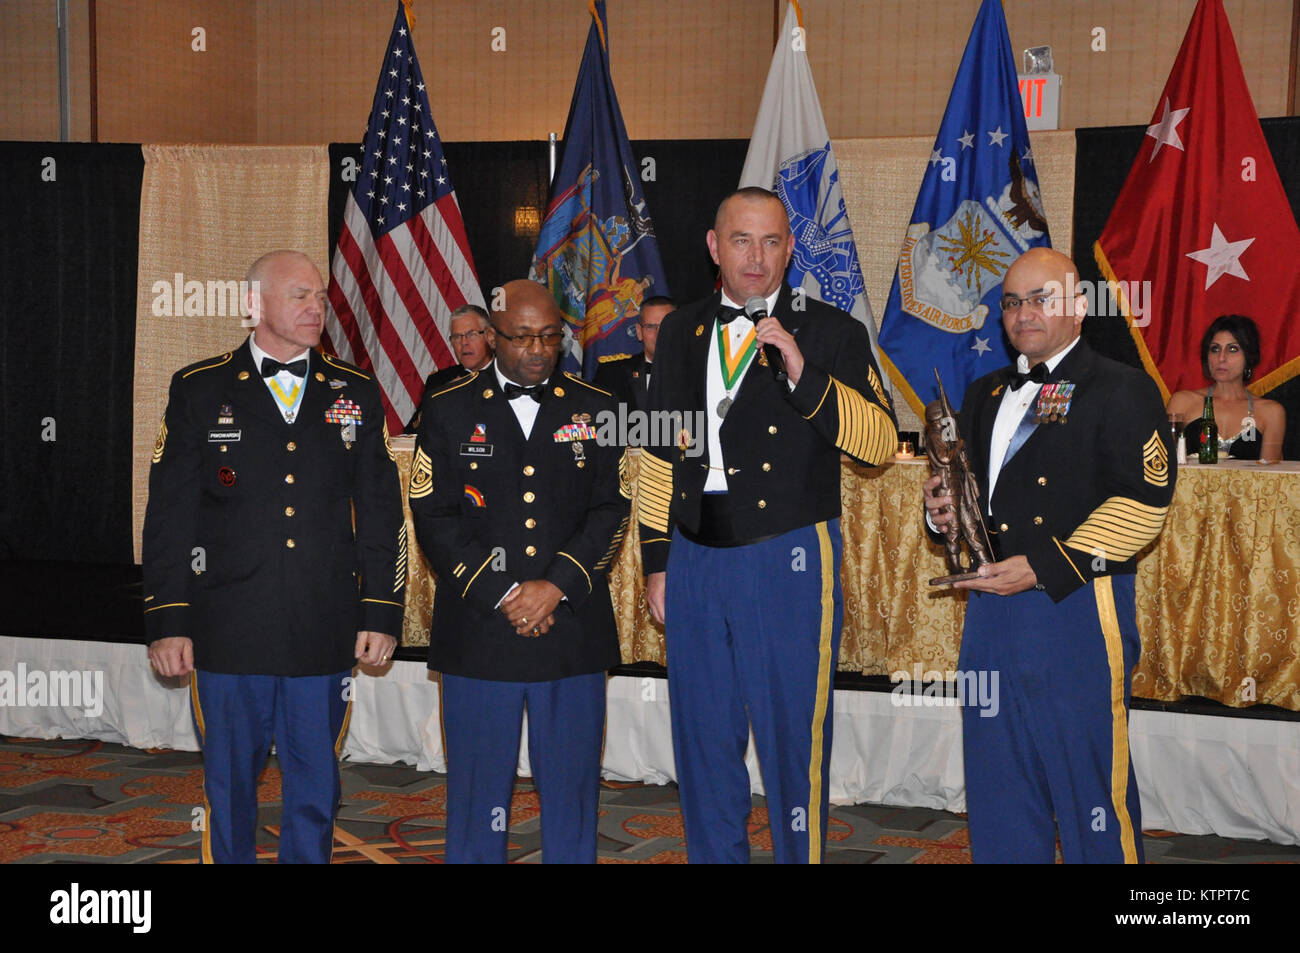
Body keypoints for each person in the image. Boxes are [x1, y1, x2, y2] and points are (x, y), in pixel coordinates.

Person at [637, 187, 897, 863]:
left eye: (773, 241)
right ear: (714, 246)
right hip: (694, 556)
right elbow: (657, 452)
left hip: (788, 555)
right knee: (701, 742)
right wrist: (657, 559)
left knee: (791, 745)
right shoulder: (680, 329)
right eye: (742, 241)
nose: (757, 258)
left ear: (791, 247)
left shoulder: (832, 329)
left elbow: (877, 443)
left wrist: (805, 375)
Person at [143, 249, 405, 864]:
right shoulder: (199, 388)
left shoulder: (356, 391)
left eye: (320, 296)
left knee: (316, 785)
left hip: (322, 622)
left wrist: (381, 611)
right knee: (230, 784)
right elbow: (169, 515)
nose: (317, 307)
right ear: (253, 306)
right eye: (299, 296)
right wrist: (167, 618)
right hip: (229, 626)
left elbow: (382, 511)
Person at [923, 247, 1176, 863]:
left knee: (1089, 787)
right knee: (998, 786)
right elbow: (975, 499)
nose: (1023, 313)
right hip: (989, 611)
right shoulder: (983, 393)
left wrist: (1043, 566)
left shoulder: (1122, 388)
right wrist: (944, 515)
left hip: (1077, 607)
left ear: (1079, 307)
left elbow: (1146, 502)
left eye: (1041, 298)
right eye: (1012, 302)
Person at [409, 279, 630, 863]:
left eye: (551, 337)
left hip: (571, 634)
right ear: (490, 335)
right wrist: (504, 591)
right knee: (479, 794)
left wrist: (555, 586)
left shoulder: (598, 408)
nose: (538, 350)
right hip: (481, 633)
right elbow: (433, 514)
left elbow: (613, 507)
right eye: (522, 337)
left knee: (573, 793)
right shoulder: (447, 408)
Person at [1167, 314, 1286, 461]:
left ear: (1249, 357)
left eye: (1233, 349)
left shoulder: (1271, 412)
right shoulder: (1182, 402)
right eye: (1215, 349)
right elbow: (1164, 465)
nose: (1221, 358)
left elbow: (1272, 477)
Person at [405, 303, 495, 432]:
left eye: (471, 334)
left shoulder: (509, 377)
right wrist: (444, 399)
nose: (464, 343)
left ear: (489, 336)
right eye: (457, 337)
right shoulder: (439, 382)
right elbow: (411, 433)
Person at [592, 295, 674, 413]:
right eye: (650, 327)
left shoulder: (701, 373)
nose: (659, 334)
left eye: (667, 326)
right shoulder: (611, 376)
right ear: (639, 332)